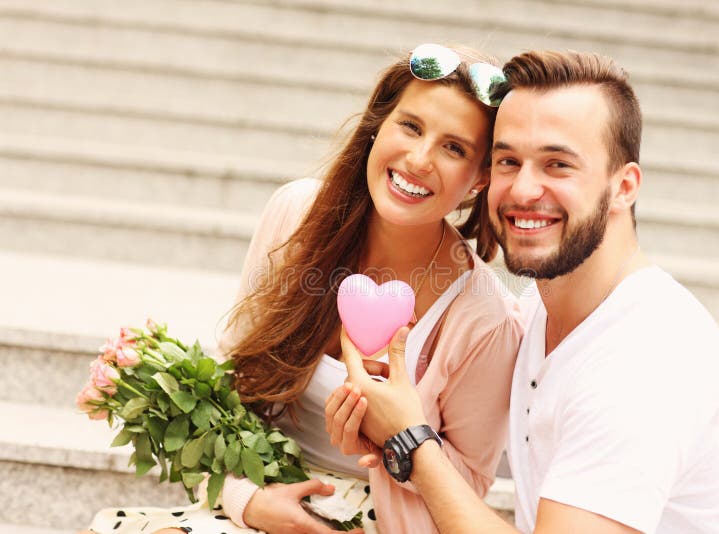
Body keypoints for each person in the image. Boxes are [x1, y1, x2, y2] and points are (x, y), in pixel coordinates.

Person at [326, 50, 719, 533]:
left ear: (624, 186)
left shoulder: (645, 359)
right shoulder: (539, 314)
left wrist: (410, 442)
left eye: (557, 164)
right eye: (508, 161)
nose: (524, 190)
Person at [80, 43, 521, 534]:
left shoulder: (484, 317)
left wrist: (398, 435)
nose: (419, 159)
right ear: (379, 124)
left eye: (454, 147)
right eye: (410, 126)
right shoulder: (296, 216)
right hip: (266, 494)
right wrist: (247, 500)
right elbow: (231, 385)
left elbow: (469, 491)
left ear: (482, 176)